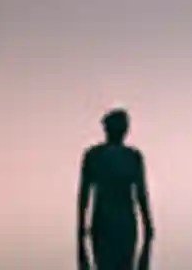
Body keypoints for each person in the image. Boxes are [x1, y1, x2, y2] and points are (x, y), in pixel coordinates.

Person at [78, 109, 154, 270]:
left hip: (116, 222)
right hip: (110, 223)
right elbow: (84, 194)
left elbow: (141, 193)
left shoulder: (97, 155)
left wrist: (148, 225)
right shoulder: (99, 156)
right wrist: (148, 224)